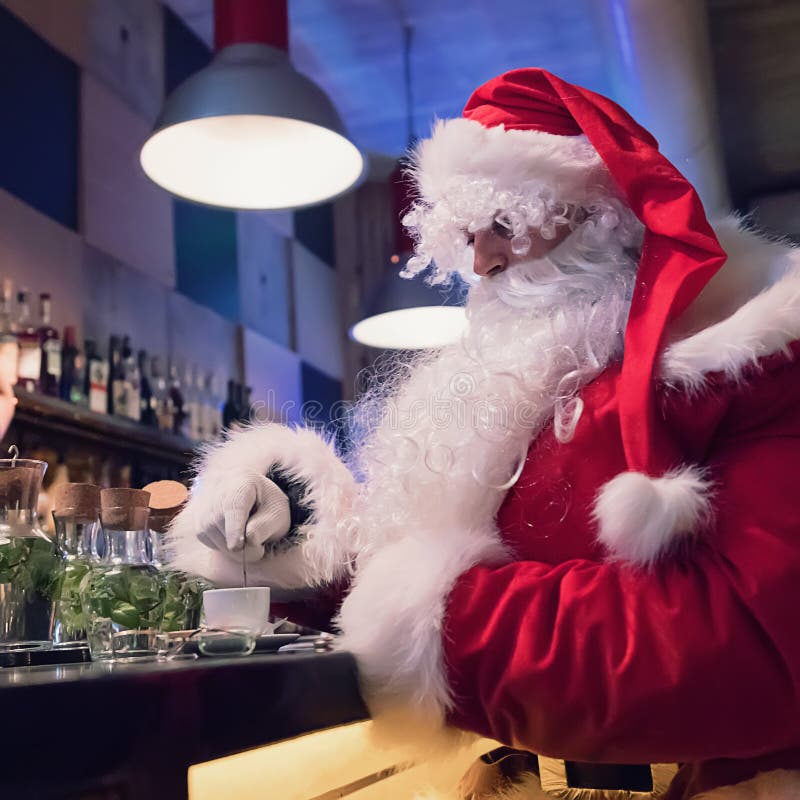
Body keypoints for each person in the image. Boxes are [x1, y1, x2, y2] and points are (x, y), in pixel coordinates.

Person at [169, 69, 800, 799]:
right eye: (466, 237)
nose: (481, 264)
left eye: (504, 225)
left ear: (595, 212)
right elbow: (414, 567)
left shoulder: (754, 361)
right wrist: (299, 530)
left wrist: (434, 622)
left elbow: (742, 648)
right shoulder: (539, 377)